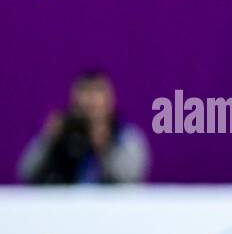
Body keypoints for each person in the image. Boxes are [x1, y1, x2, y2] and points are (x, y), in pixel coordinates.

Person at [18, 70, 150, 184]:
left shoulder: (126, 135)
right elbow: (26, 172)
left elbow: (132, 177)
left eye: (98, 91)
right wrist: (49, 139)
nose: (91, 99)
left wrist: (104, 148)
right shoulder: (62, 132)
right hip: (63, 207)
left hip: (111, 209)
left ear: (111, 99)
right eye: (85, 91)